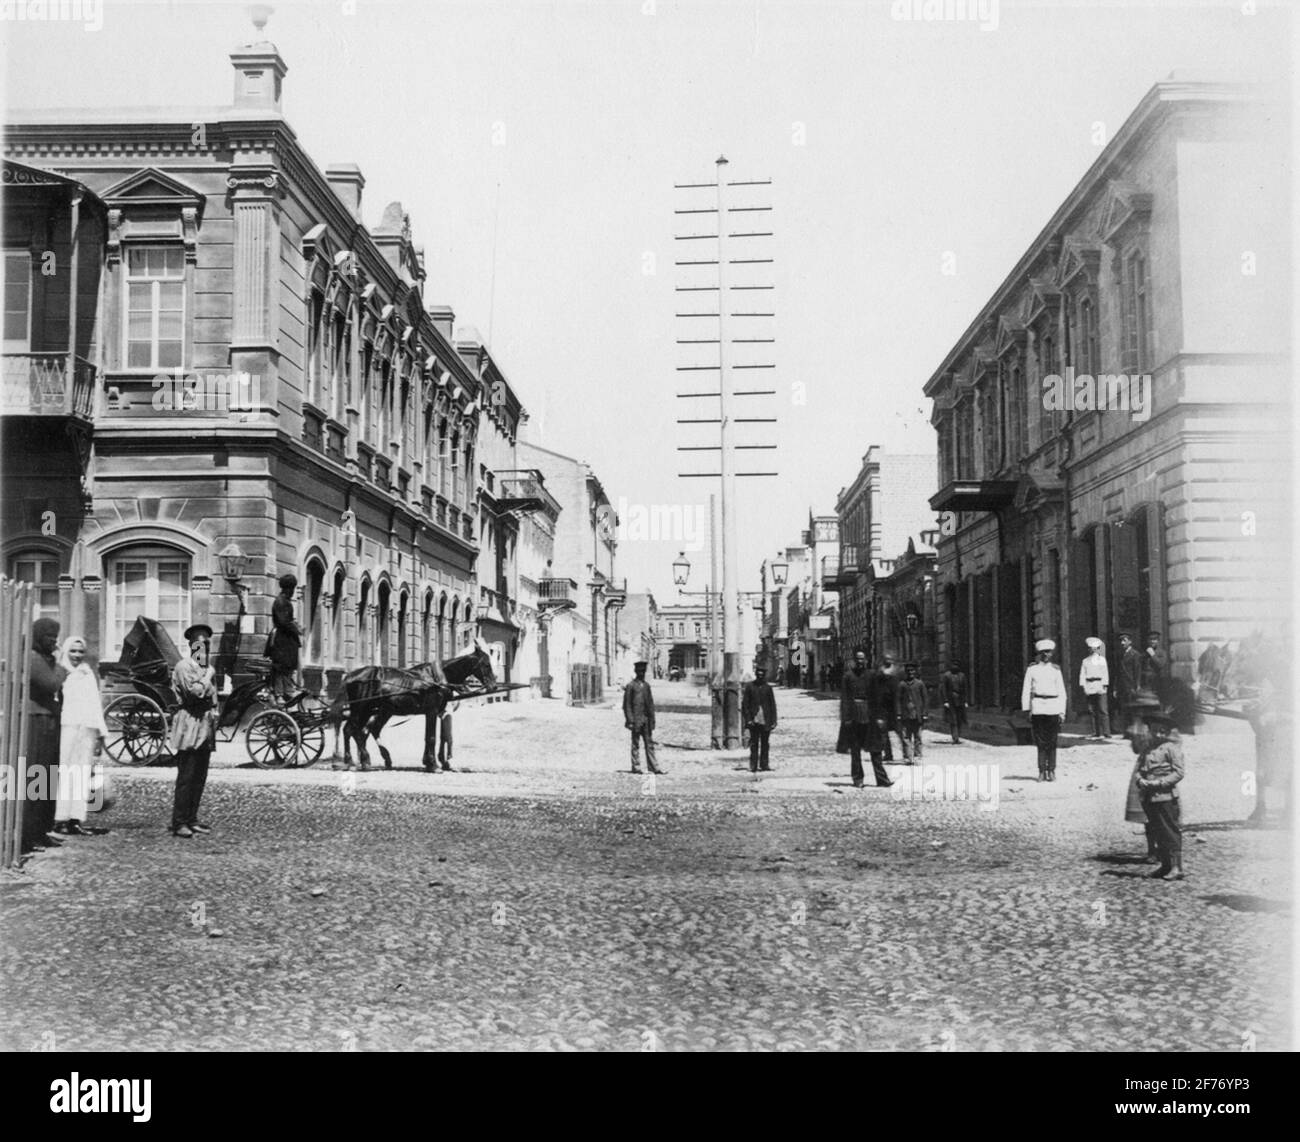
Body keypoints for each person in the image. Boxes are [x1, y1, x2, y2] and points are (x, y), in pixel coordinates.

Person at [53, 637, 110, 836]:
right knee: (65, 772)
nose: (77, 655)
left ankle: (76, 819)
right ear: (66, 651)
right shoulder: (60, 672)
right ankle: (60, 818)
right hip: (67, 728)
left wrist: (101, 733)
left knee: (82, 773)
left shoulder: (87, 674)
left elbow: (95, 704)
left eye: (80, 652)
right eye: (73, 651)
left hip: (87, 729)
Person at [22, 618, 67, 853]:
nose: (54, 642)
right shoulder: (32, 658)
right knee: (36, 777)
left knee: (49, 777)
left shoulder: (45, 658)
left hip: (49, 720)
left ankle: (41, 830)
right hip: (36, 720)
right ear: (40, 637)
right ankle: (29, 835)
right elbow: (51, 683)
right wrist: (62, 665)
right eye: (50, 638)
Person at [169, 624, 218, 838]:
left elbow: (213, 697)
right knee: (187, 775)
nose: (203, 649)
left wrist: (215, 710)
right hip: (189, 723)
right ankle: (179, 821)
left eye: (206, 645)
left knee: (200, 775)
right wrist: (208, 676)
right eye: (199, 645)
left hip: (204, 725)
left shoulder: (206, 668)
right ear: (191, 646)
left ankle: (192, 818)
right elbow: (194, 694)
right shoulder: (183, 667)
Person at [1134, 712, 1185, 880]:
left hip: (1166, 797)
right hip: (1149, 798)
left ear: (1167, 732)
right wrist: (1140, 780)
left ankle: (1177, 867)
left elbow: (1178, 772)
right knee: (1157, 831)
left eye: (1162, 731)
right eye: (1154, 730)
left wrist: (1159, 783)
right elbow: (1140, 770)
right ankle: (1165, 865)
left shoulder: (1171, 749)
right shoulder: (1147, 750)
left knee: (1170, 831)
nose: (1158, 734)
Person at [840, 650, 893, 789]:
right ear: (854, 660)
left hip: (870, 716)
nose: (860, 661)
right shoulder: (848, 677)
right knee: (855, 750)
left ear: (866, 660)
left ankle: (882, 779)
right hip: (854, 717)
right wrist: (846, 717)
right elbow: (845, 699)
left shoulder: (872, 676)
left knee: (875, 750)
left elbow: (878, 697)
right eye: (857, 659)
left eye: (862, 659)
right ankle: (858, 779)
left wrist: (880, 716)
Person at [1021, 638, 1066, 781]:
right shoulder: (1032, 669)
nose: (1047, 655)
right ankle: (1041, 770)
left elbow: (1062, 691)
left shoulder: (1056, 670)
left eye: (1049, 652)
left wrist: (1062, 711)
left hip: (1053, 707)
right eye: (1044, 652)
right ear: (1040, 653)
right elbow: (1026, 689)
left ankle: (1051, 770)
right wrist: (1028, 709)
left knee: (1052, 741)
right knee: (1040, 742)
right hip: (1038, 707)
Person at [265, 573, 303, 697]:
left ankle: (287, 689)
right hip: (282, 639)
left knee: (288, 666)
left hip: (286, 638)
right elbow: (284, 622)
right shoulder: (281, 602)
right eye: (291, 588)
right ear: (287, 588)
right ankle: (280, 693)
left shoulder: (285, 601)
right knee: (282, 666)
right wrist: (297, 629)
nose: (292, 591)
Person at [623, 660, 663, 775]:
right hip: (635, 720)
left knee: (649, 743)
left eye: (643, 671)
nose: (642, 673)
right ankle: (636, 766)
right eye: (640, 671)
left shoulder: (646, 686)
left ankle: (653, 766)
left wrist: (652, 720)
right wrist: (630, 720)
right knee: (635, 744)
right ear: (636, 671)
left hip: (646, 720)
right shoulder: (631, 686)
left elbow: (650, 704)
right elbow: (627, 705)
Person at [742, 665, 778, 773]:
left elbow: (772, 705)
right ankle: (753, 765)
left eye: (762, 673)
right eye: (758, 673)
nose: (760, 675)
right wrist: (748, 719)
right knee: (754, 744)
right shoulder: (750, 687)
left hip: (766, 721)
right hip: (754, 721)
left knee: (765, 744)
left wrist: (774, 720)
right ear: (756, 673)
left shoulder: (768, 688)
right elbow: (745, 705)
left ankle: (764, 764)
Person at [895, 662, 928, 762]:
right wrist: (899, 713)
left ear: (915, 672)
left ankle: (917, 755)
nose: (910, 673)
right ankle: (908, 756)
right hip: (906, 715)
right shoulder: (902, 684)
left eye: (912, 670)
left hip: (917, 714)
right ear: (905, 672)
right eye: (908, 671)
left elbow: (925, 699)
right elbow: (898, 700)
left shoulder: (920, 684)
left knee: (918, 736)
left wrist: (924, 713)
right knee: (906, 736)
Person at [1079, 636, 1111, 740]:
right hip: (1090, 685)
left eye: (1094, 648)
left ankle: (1106, 732)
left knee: (1103, 710)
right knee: (1092, 710)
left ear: (1097, 649)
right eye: (1090, 648)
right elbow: (1082, 675)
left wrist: (1105, 685)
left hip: (1100, 684)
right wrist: (1084, 687)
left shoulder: (1102, 660)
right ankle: (1096, 731)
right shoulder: (1085, 661)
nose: (1092, 650)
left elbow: (1105, 673)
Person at [871, 655, 899, 762]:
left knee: (900, 732)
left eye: (890, 661)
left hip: (894, 709)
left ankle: (908, 754)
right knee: (884, 733)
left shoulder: (896, 674)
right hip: (884, 709)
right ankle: (888, 754)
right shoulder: (880, 675)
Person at [939, 660, 968, 744]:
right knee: (953, 719)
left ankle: (958, 735)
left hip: (960, 699)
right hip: (950, 699)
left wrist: (965, 700)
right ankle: (955, 737)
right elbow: (943, 689)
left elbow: (965, 689)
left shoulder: (962, 676)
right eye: (953, 665)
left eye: (956, 665)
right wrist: (945, 701)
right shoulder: (947, 675)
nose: (955, 667)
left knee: (959, 719)